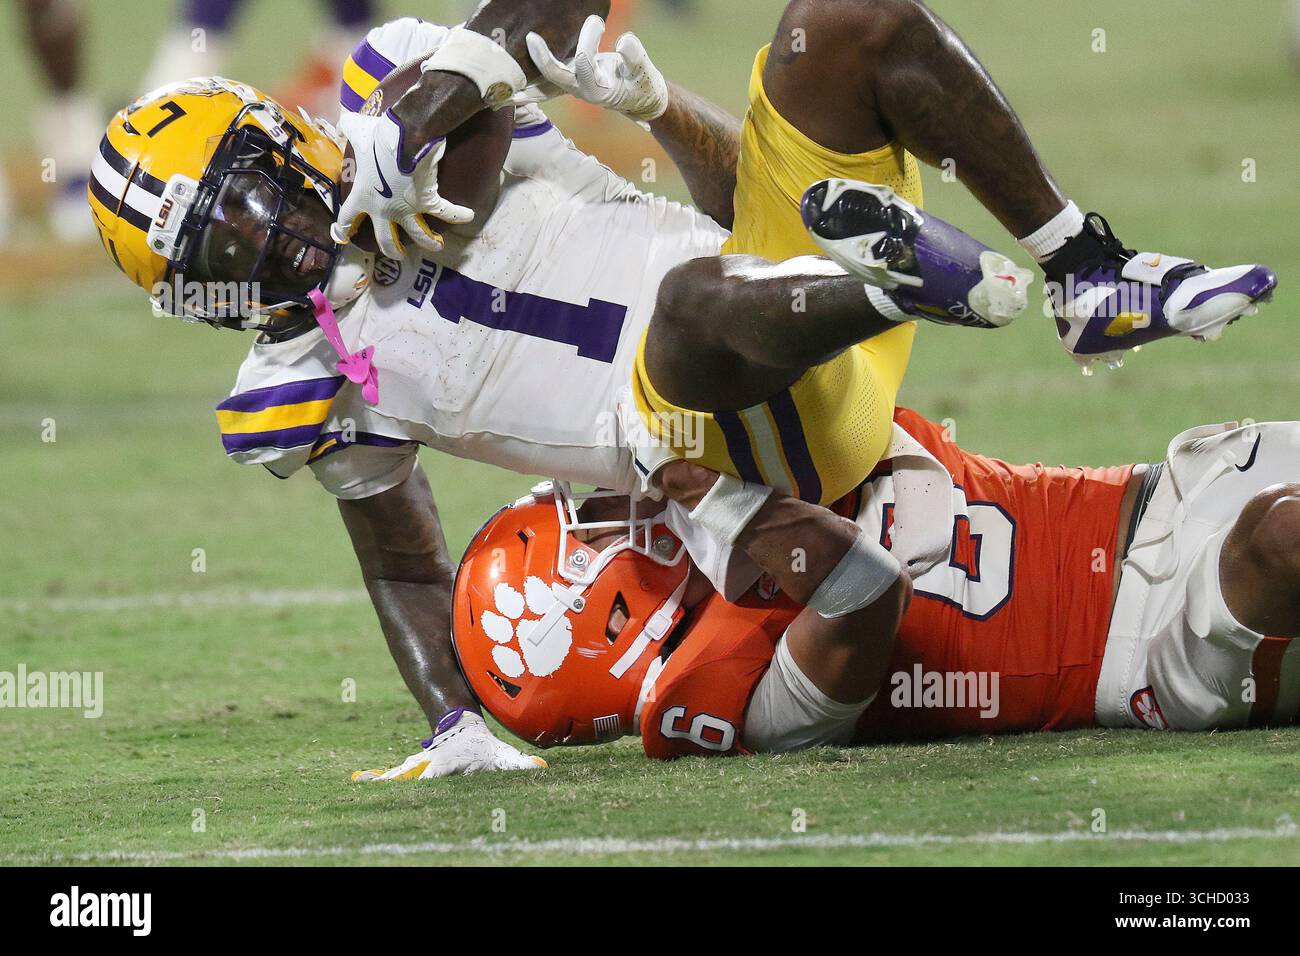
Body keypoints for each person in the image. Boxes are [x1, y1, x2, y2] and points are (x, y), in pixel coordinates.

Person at [424, 409, 1300, 772]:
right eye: (590, 534)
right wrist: (719, 498)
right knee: (1284, 536)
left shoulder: (737, 482)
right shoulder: (730, 703)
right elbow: (861, 590)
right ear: (594, 615)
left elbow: (754, 268)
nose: (611, 509)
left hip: (1176, 486)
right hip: (1154, 642)